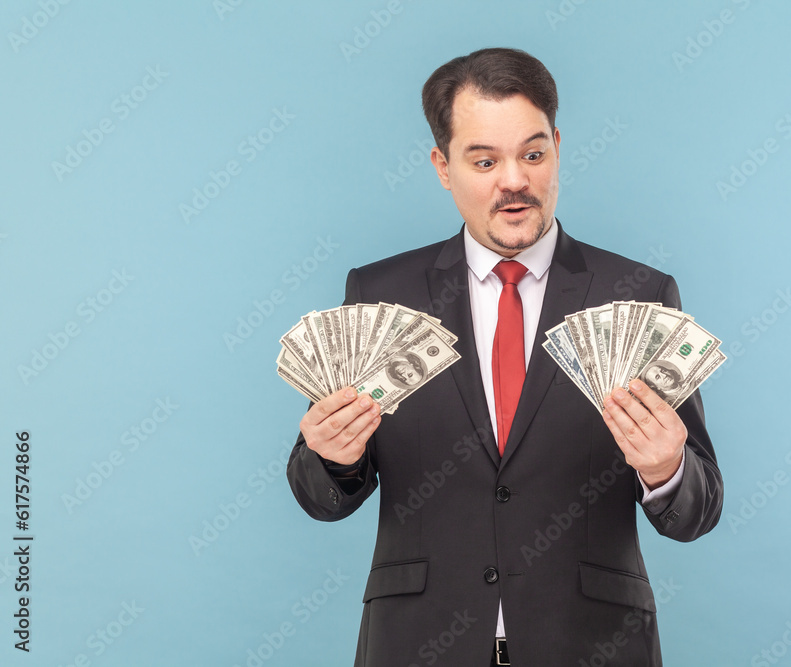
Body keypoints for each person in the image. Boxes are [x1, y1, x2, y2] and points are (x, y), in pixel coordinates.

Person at [286, 47, 723, 667]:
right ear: (443, 165)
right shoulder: (381, 295)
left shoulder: (641, 296)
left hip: (592, 644)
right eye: (484, 160)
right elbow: (318, 496)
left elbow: (697, 511)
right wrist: (333, 459)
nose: (514, 180)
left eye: (532, 154)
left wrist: (666, 470)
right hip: (418, 644)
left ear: (557, 147)